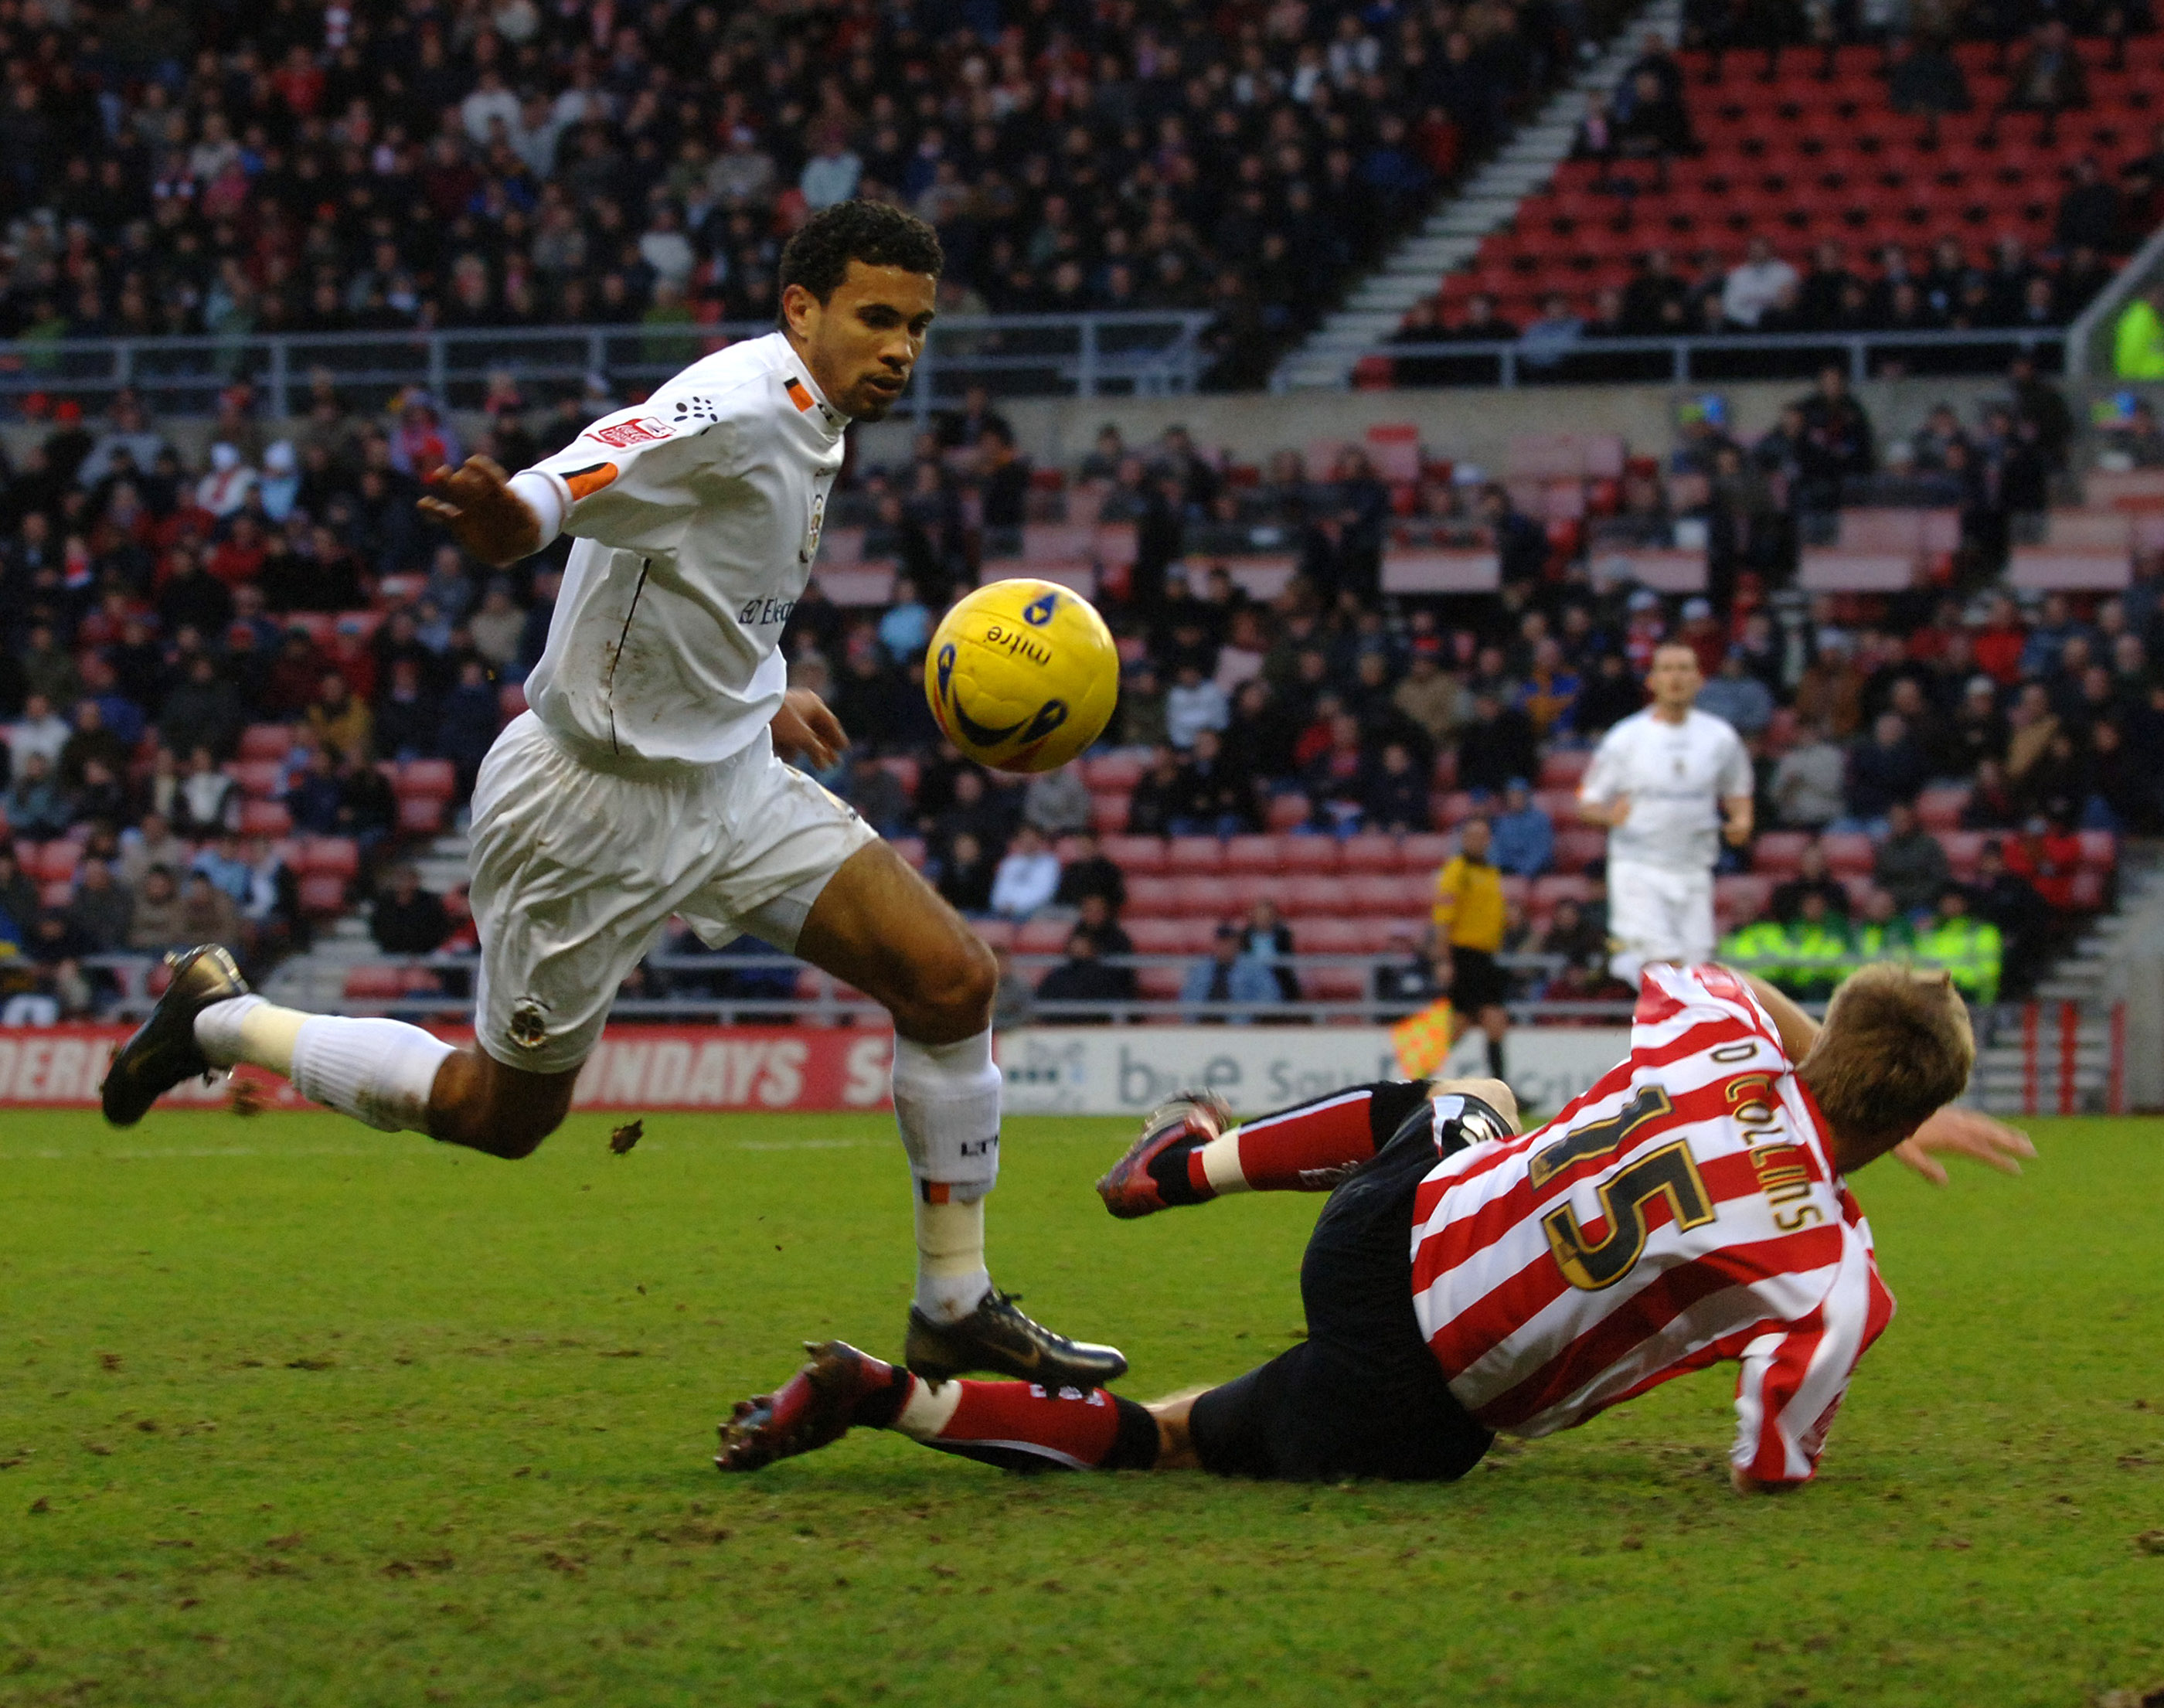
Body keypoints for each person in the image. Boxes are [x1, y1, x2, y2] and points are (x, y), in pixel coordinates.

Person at [97, 202, 1123, 1393]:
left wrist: (758, 689)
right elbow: (601, 462)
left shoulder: (819, 416)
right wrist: (516, 516)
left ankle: (953, 1305)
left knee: (951, 980)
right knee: (500, 1114)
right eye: (876, 318)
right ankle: (219, 1019)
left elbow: (697, 574)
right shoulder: (736, 404)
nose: (901, 348)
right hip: (586, 810)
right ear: (802, 310)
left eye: (918, 327)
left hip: (729, 779)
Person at [719, 963, 2029, 1484]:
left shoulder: (1726, 1035)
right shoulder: (1835, 1272)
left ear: (1824, 1035)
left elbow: (1723, 978)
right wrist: (1866, 1125)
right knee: (1168, 1438)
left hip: (1383, 1228)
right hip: (1424, 1389)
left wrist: (1820, 1068)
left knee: (1475, 1097)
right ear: (1915, 1111)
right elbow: (1769, 1456)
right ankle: (889, 1398)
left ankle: (1188, 1167)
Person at [1577, 643, 1752, 987]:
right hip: (1639, 868)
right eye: (1667, 669)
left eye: (1684, 668)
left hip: (1694, 869)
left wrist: (1742, 820)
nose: (1676, 677)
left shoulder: (1720, 737)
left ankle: (1626, 964)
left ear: (1699, 679)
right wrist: (1609, 815)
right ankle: (1628, 961)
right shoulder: (1626, 738)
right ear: (1652, 680)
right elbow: (1587, 802)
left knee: (1695, 976)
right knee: (1664, 967)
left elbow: (1737, 790)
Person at [1432, 818, 1510, 1086]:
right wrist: (1444, 960)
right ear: (1464, 840)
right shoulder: (1457, 871)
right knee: (1481, 1020)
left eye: (1483, 836)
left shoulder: (1490, 873)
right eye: (1473, 836)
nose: (1479, 841)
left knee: (1476, 1022)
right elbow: (1443, 918)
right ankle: (1501, 1086)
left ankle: (1417, 1074)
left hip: (1485, 957)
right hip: (1464, 955)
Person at [1179, 924, 1278, 1024]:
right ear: (1215, 944)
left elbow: (1270, 994)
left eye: (1229, 943)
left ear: (1237, 944)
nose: (1225, 947)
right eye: (1221, 943)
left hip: (1238, 1025)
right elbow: (1187, 997)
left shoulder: (1253, 967)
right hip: (1203, 1023)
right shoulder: (1201, 969)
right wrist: (1193, 1017)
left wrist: (1249, 1014)